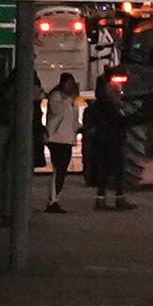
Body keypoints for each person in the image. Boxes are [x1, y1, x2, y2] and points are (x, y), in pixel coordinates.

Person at [84, 75, 135, 210]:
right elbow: (120, 122)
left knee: (106, 173)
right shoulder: (111, 108)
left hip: (104, 144)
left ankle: (103, 200)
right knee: (117, 172)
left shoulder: (100, 107)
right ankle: (118, 199)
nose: (119, 96)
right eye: (117, 93)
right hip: (112, 143)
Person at [39, 72, 83, 212]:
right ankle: (52, 200)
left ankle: (56, 197)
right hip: (56, 138)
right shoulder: (56, 97)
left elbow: (73, 120)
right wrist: (70, 99)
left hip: (67, 139)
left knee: (62, 170)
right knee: (58, 169)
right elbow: (58, 112)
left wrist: (79, 129)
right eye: (68, 84)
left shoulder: (72, 101)